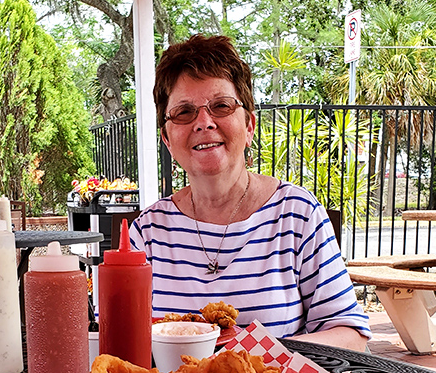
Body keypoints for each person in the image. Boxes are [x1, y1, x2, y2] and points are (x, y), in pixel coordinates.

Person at [129, 34, 371, 351]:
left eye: (221, 106)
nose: (204, 123)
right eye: (184, 112)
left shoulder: (297, 214)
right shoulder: (146, 233)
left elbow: (349, 333)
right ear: (167, 138)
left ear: (249, 126)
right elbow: (119, 337)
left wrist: (253, 356)